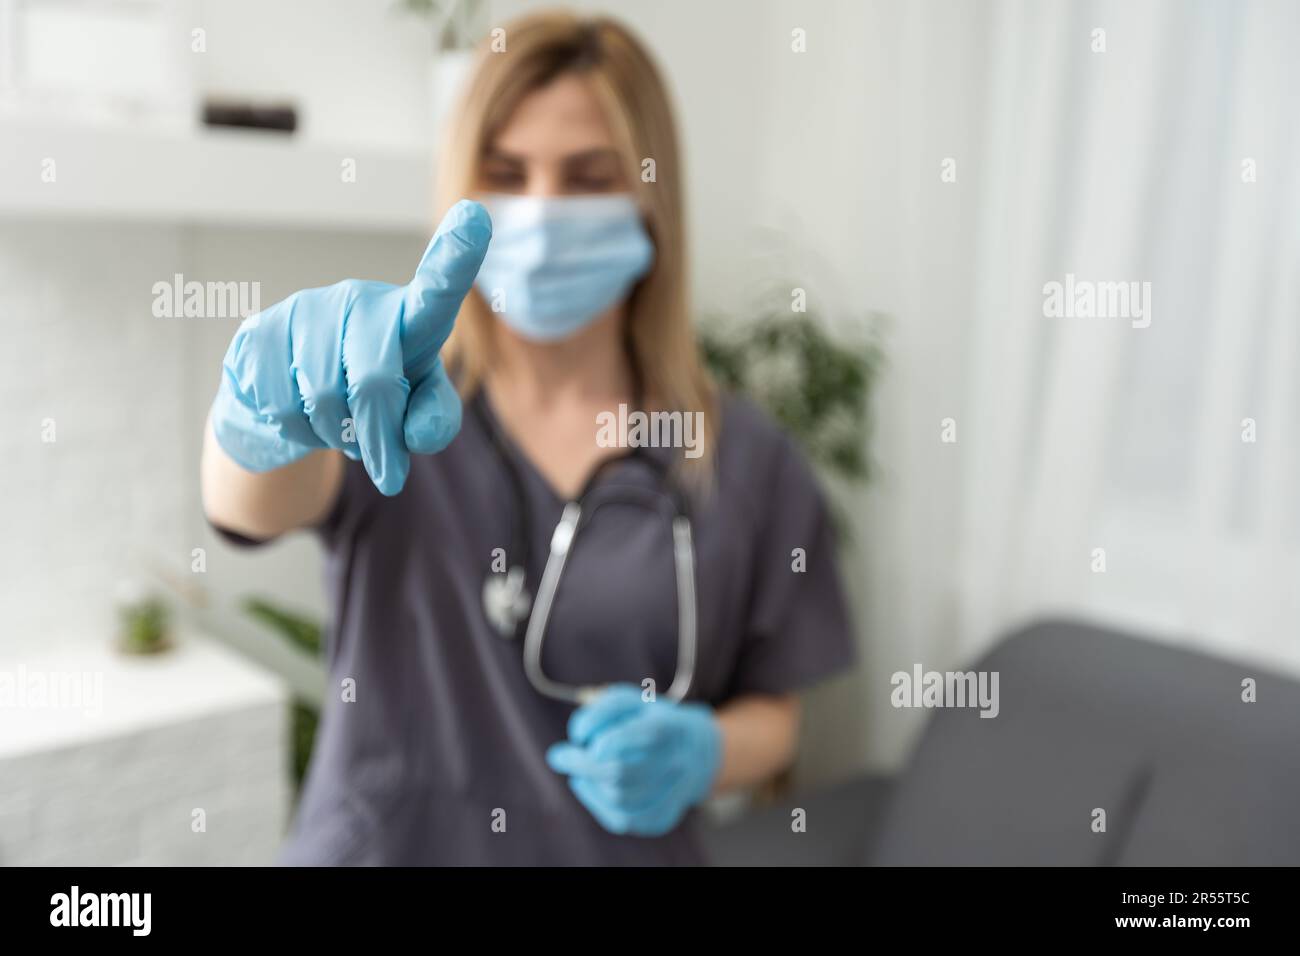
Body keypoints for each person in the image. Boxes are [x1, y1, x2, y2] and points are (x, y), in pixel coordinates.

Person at [201, 10, 854, 865]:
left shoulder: (746, 457)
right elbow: (246, 507)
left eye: (589, 178)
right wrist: (262, 412)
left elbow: (778, 714)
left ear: (652, 199)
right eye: (506, 174)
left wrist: (704, 755)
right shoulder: (397, 398)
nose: (542, 214)